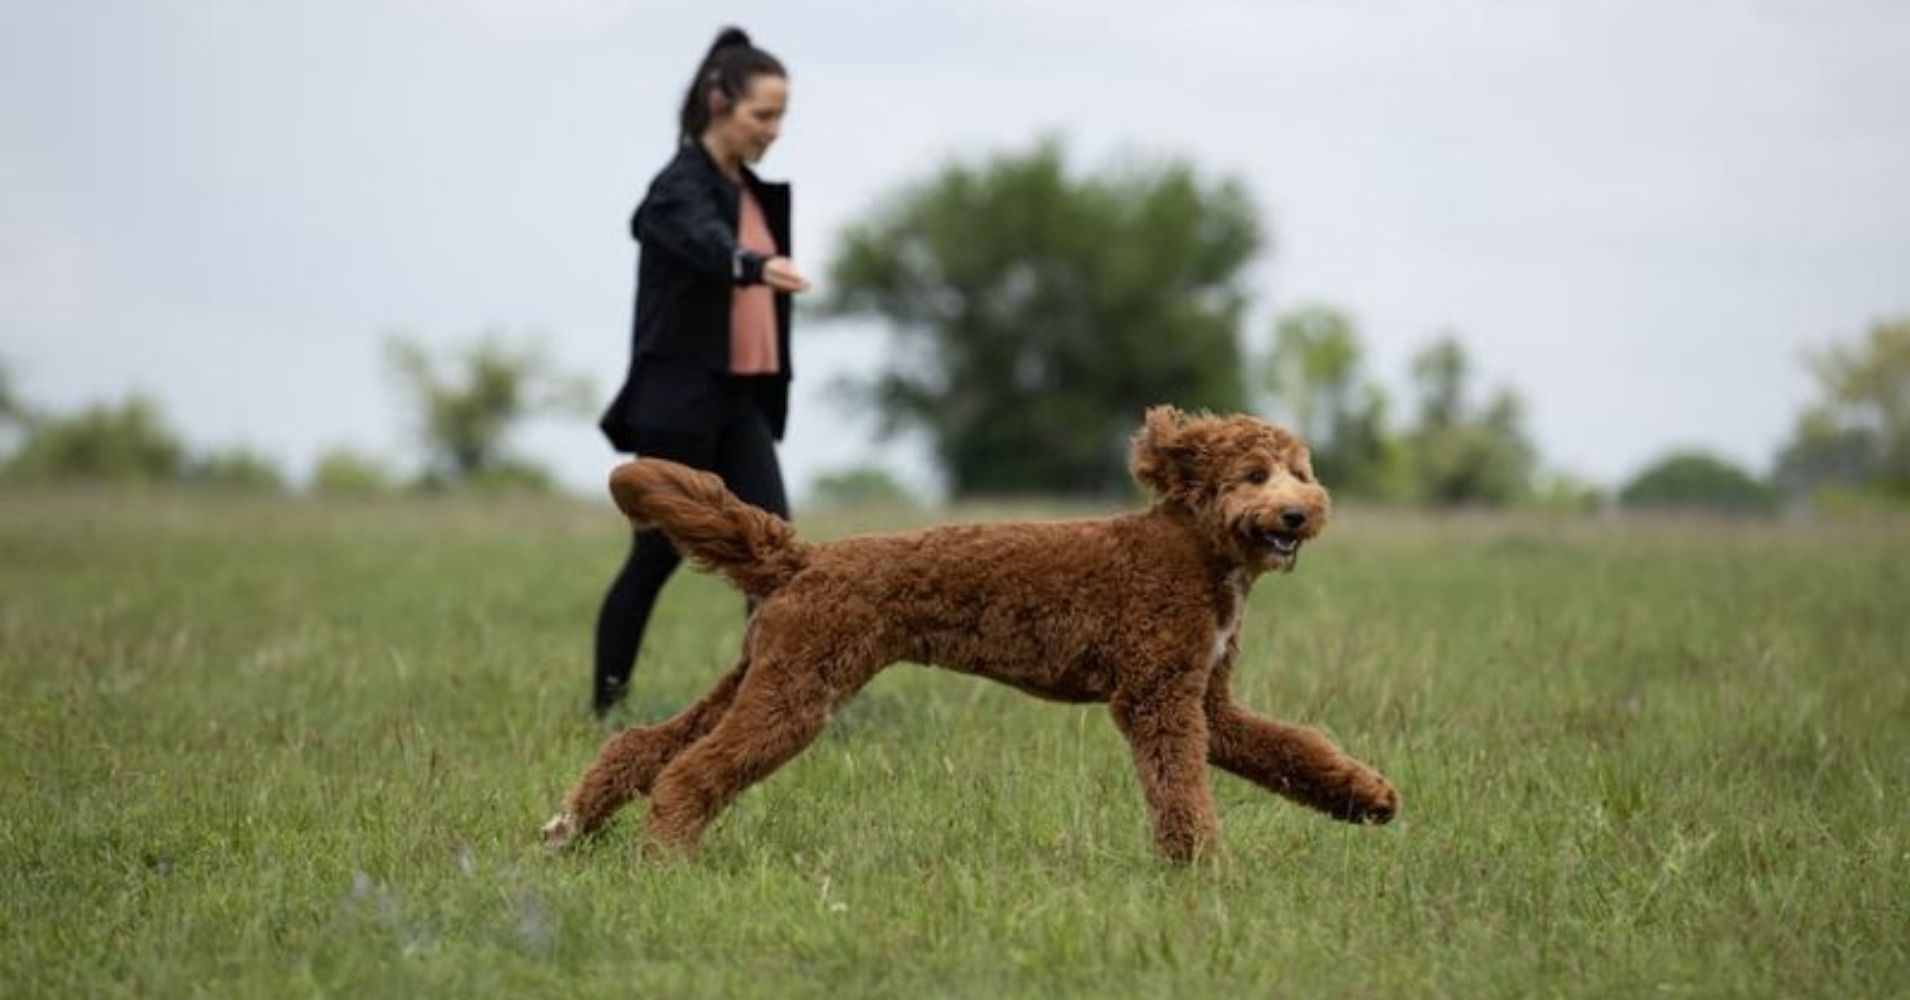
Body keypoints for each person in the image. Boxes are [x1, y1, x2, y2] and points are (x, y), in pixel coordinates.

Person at [592, 26, 810, 716]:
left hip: (742, 399)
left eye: (780, 116)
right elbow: (701, 240)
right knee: (655, 555)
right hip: (681, 402)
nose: (774, 130)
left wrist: (756, 265)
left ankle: (766, 704)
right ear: (720, 104)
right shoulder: (678, 187)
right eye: (763, 115)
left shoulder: (749, 190)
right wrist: (753, 265)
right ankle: (606, 708)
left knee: (774, 555)